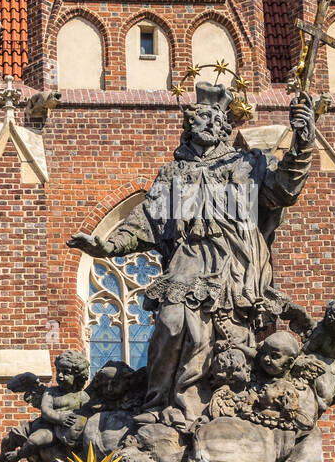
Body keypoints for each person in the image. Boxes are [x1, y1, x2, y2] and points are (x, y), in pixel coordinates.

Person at [68, 83, 317, 420]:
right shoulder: (174, 172)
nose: (210, 123)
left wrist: (303, 142)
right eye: (202, 117)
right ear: (189, 126)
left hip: (233, 261)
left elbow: (284, 188)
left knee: (221, 332)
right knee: (172, 322)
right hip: (189, 256)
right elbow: (148, 219)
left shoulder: (248, 163)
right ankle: (160, 402)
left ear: (226, 126)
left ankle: (209, 404)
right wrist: (109, 246)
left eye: (216, 118)